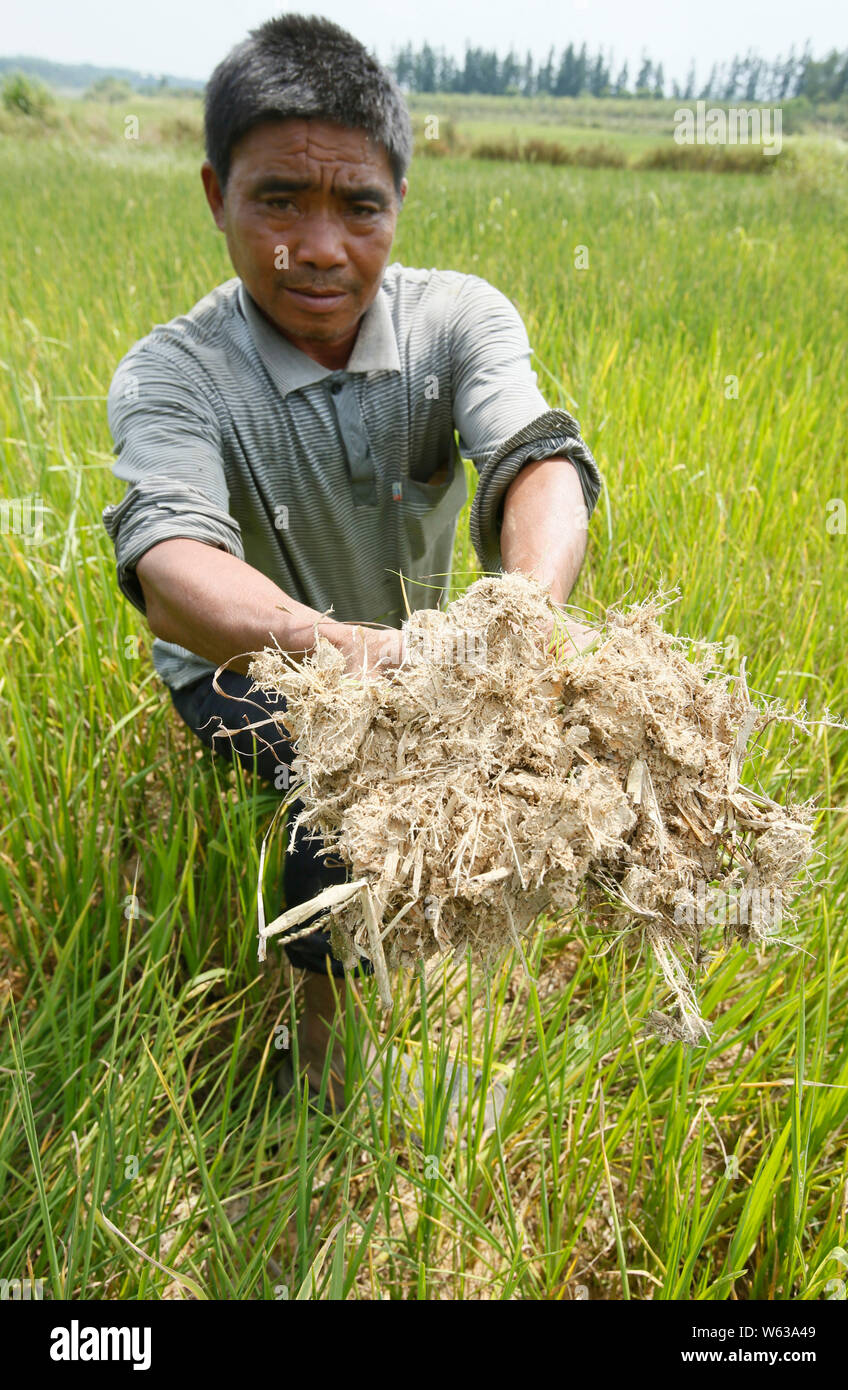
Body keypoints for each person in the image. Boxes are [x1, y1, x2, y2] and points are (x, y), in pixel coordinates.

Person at [103, 13, 601, 1115]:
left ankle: (432, 950)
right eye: (279, 199)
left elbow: (537, 459)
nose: (319, 247)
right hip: (244, 665)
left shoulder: (457, 321)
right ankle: (320, 1064)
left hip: (419, 649)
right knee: (354, 781)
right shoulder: (172, 374)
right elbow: (174, 565)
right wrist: (347, 653)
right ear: (214, 195)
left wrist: (515, 618)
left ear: (397, 207)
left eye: (358, 206)